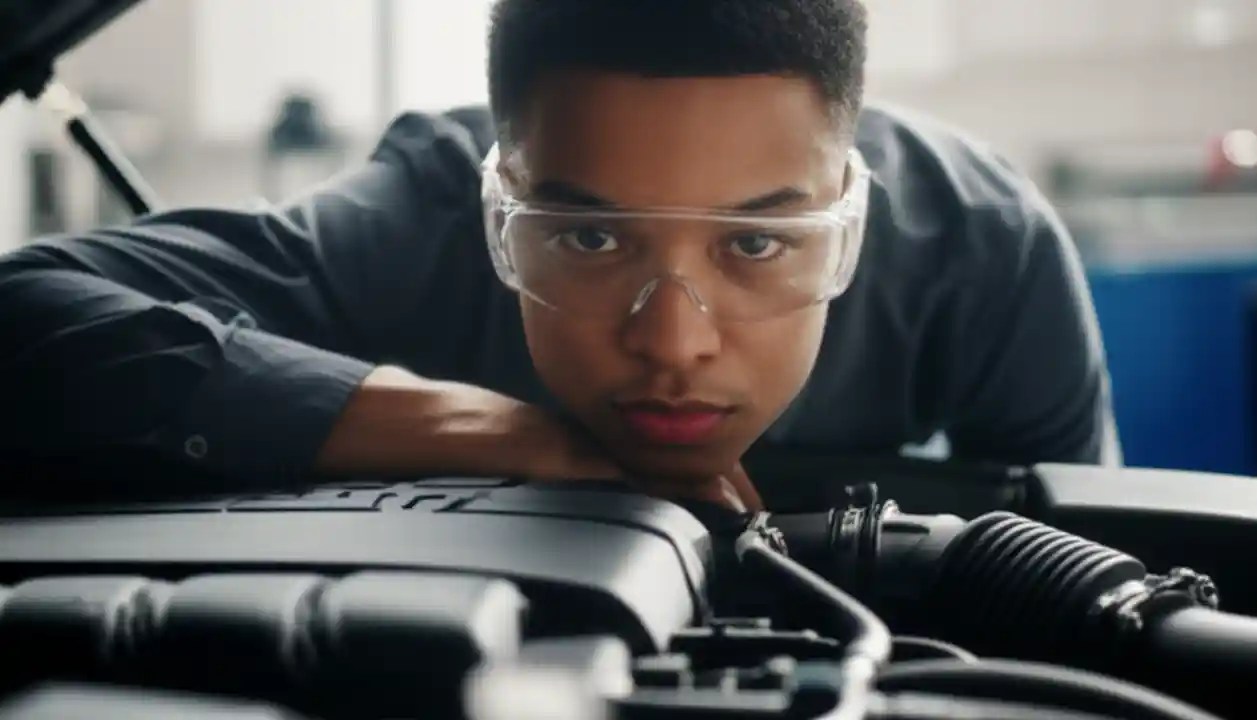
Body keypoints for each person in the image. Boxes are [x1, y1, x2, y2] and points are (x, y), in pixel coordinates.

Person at [0, 0, 1119, 512]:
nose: (672, 345)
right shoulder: (417, 217)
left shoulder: (985, 247)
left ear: (851, 216)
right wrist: (490, 432)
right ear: (499, 198)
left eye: (754, 241)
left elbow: (1098, 570)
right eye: (589, 236)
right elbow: (25, 311)